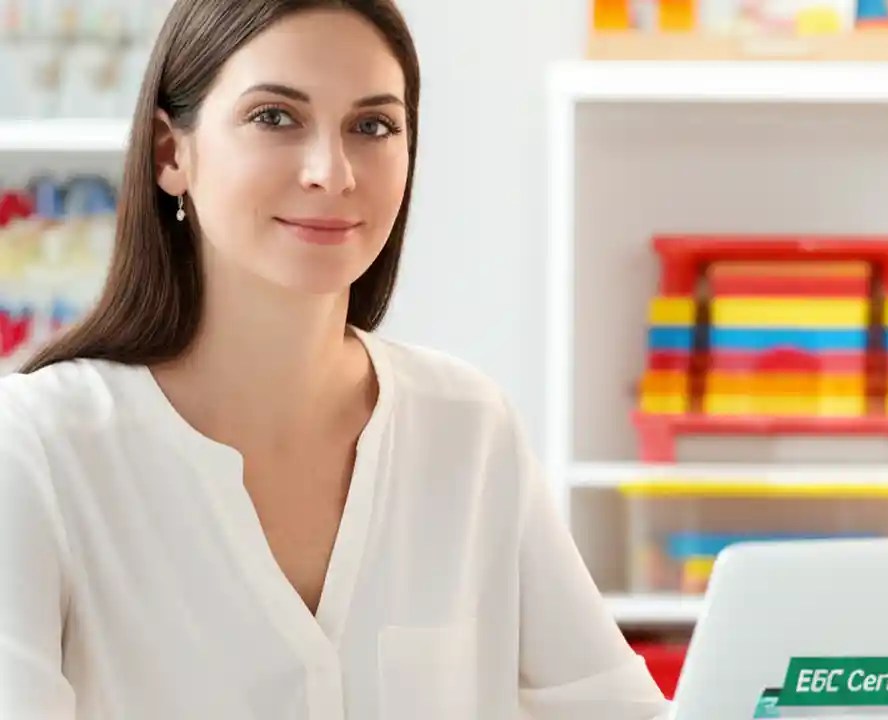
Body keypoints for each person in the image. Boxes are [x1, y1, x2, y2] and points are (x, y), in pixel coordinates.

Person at [0, 1, 671, 718]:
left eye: (372, 126)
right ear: (172, 154)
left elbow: (617, 710)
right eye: (275, 118)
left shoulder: (468, 429)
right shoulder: (38, 447)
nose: (333, 171)